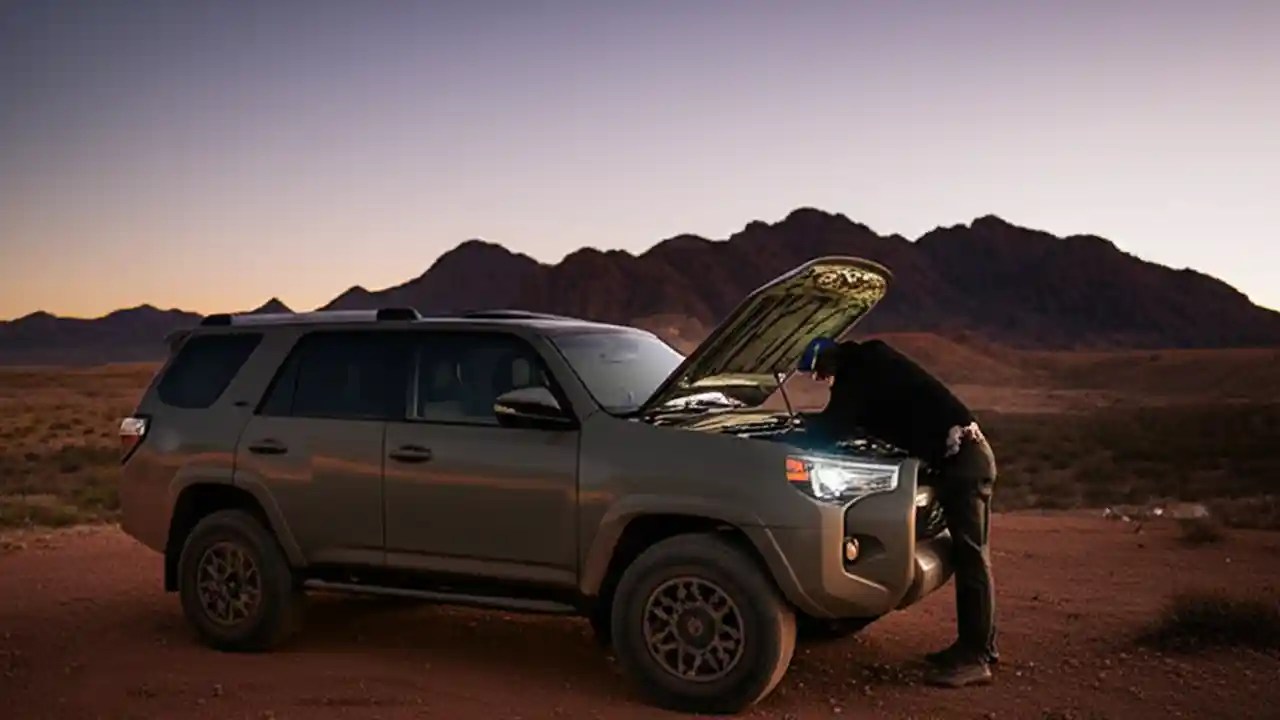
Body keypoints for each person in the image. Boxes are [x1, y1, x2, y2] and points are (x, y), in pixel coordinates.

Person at [796, 336, 999, 688]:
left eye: (820, 372)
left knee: (972, 559)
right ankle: (978, 648)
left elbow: (835, 425)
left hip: (963, 461)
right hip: (964, 457)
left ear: (830, 360)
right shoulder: (871, 363)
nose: (821, 380)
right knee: (971, 557)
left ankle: (976, 657)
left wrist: (795, 431)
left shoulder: (859, 373)